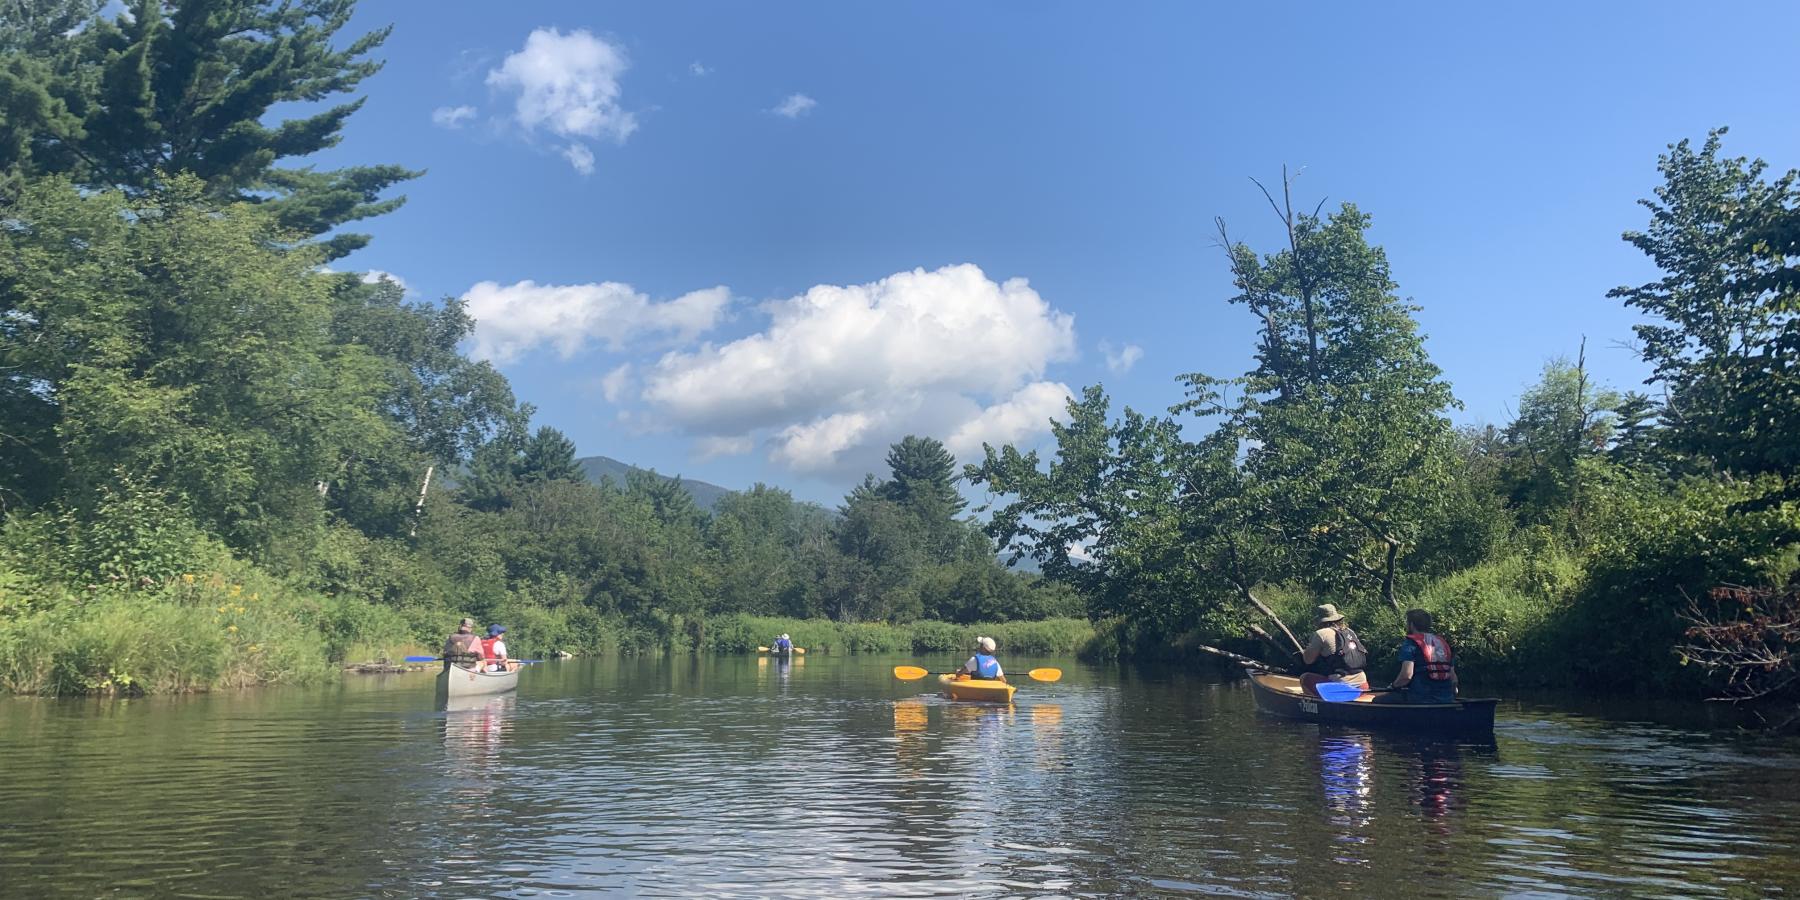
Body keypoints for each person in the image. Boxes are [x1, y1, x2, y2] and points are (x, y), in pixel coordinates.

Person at [1389, 608, 1457, 703]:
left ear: (1411, 625)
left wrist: (1393, 686)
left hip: (1421, 699)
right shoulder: (1442, 643)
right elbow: (1453, 679)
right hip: (1447, 699)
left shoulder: (1411, 644)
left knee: (1377, 700)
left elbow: (1406, 676)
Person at [1301, 604, 1369, 687]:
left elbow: (1308, 660)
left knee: (1305, 678)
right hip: (1363, 683)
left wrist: (1307, 650)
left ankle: (1309, 700)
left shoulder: (1321, 633)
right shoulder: (1350, 632)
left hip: (1340, 685)